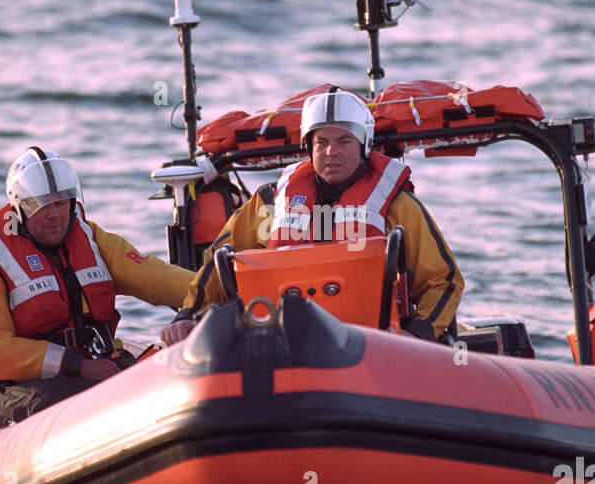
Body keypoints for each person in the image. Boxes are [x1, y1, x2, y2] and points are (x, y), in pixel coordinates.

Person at [167, 89, 463, 342]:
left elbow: (442, 280)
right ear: (308, 147)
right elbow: (217, 265)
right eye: (321, 142)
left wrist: (420, 333)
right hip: (280, 340)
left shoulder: (398, 207)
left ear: (364, 146)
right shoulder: (269, 203)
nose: (332, 151)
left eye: (344, 141)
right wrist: (187, 314)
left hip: (374, 342)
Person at [0, 146, 193, 428]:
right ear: (21, 207)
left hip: (94, 365)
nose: (53, 214)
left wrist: (212, 289)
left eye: (60, 203)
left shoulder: (92, 240)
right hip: (14, 387)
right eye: (40, 205)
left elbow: (155, 277)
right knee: (75, 398)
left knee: (157, 378)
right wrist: (76, 365)